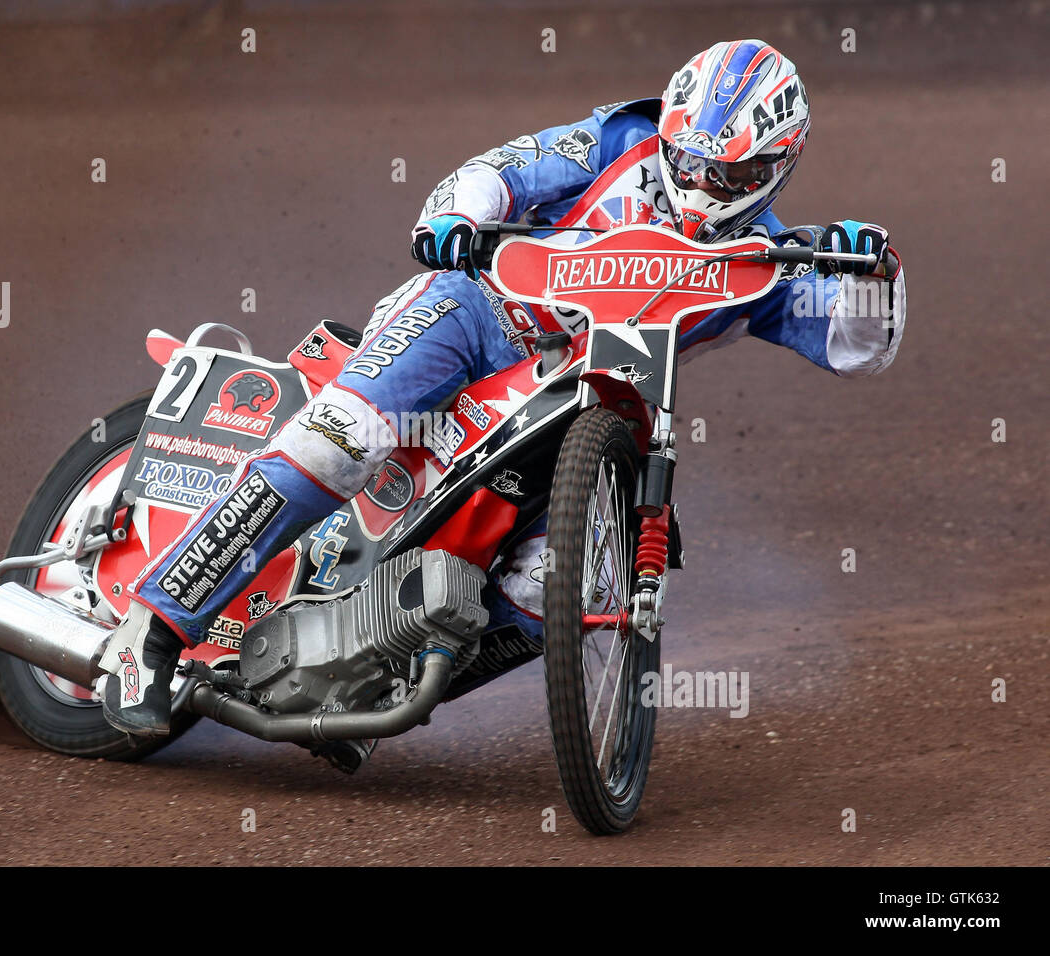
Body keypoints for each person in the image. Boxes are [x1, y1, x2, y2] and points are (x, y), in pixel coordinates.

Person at [98, 38, 906, 736]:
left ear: (777, 166)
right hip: (473, 315)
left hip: (581, 400)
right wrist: (452, 220)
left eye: (727, 177)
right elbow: (502, 170)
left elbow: (857, 346)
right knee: (342, 442)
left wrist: (874, 269)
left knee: (569, 583)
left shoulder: (766, 262)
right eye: (687, 161)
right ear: (667, 134)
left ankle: (377, 676)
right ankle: (153, 630)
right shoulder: (617, 138)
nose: (697, 188)